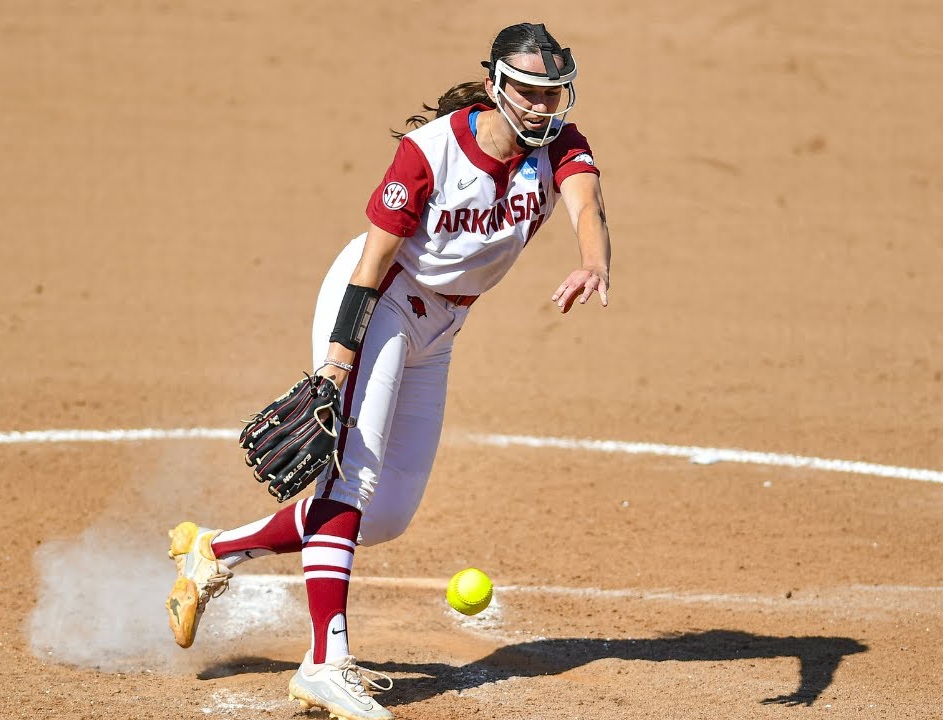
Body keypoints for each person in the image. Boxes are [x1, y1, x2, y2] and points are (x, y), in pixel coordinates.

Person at [164, 21, 610, 720]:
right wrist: (338, 363)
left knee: (385, 514)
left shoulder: (560, 145)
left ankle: (213, 551)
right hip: (378, 306)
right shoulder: (428, 155)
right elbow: (372, 265)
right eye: (526, 91)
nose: (539, 107)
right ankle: (325, 662)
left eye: (551, 95)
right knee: (351, 477)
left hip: (442, 327)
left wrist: (593, 260)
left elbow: (586, 202)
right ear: (495, 85)